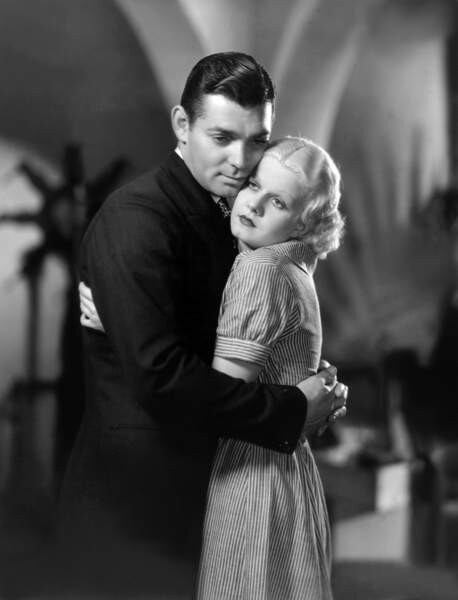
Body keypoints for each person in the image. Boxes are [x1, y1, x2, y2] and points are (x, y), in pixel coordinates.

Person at [67, 52, 347, 598]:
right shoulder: (136, 219)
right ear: (182, 125)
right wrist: (292, 407)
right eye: (221, 137)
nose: (240, 161)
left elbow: (262, 318)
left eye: (256, 140)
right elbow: (161, 378)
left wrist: (304, 375)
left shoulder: (239, 216)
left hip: (208, 493)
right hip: (137, 509)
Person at [196, 136, 344, 599]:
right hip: (289, 473)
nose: (254, 205)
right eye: (254, 185)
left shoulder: (260, 269)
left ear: (304, 223)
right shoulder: (295, 268)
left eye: (277, 201)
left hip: (250, 477)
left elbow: (221, 400)